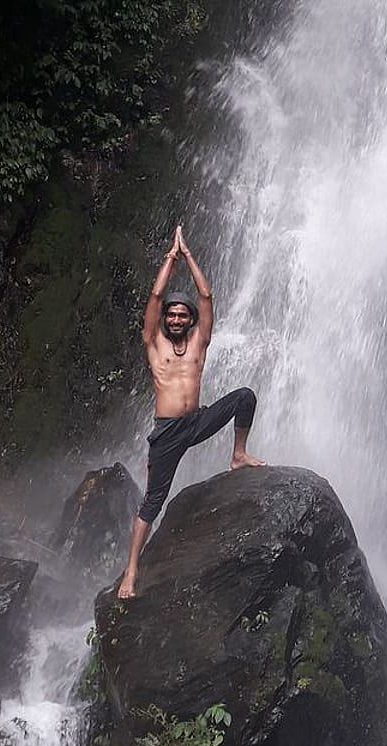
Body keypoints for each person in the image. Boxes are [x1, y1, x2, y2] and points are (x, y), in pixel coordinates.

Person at [118, 225, 264, 599]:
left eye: (184, 315)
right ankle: (131, 571)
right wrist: (171, 256)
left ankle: (239, 454)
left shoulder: (200, 341)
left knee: (245, 396)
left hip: (196, 422)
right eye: (173, 315)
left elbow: (206, 294)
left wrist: (191, 256)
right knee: (153, 500)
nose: (179, 319)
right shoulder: (154, 345)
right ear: (166, 319)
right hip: (167, 432)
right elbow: (154, 296)